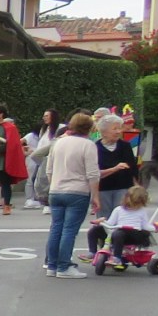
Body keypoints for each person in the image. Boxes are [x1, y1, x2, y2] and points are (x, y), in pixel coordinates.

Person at [41, 112, 99, 278]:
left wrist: (55, 184)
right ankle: (64, 266)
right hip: (78, 191)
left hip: (56, 190)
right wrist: (95, 195)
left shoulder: (58, 143)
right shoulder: (88, 145)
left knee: (56, 228)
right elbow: (93, 174)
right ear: (89, 128)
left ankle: (51, 265)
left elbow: (49, 169)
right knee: (69, 230)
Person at [87, 185, 156, 265]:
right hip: (118, 234)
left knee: (119, 233)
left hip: (133, 236)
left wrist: (155, 227)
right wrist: (102, 221)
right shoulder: (118, 210)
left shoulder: (142, 211)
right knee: (94, 230)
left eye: (137, 204)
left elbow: (145, 226)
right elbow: (110, 224)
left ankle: (117, 258)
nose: (134, 206)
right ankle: (92, 252)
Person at [94, 113, 140, 219]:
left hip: (123, 187)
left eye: (120, 128)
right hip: (103, 188)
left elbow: (133, 168)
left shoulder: (125, 146)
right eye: (115, 129)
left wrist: (136, 186)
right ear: (103, 132)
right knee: (104, 218)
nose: (118, 131)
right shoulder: (95, 147)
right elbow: (94, 171)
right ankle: (105, 236)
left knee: (122, 217)